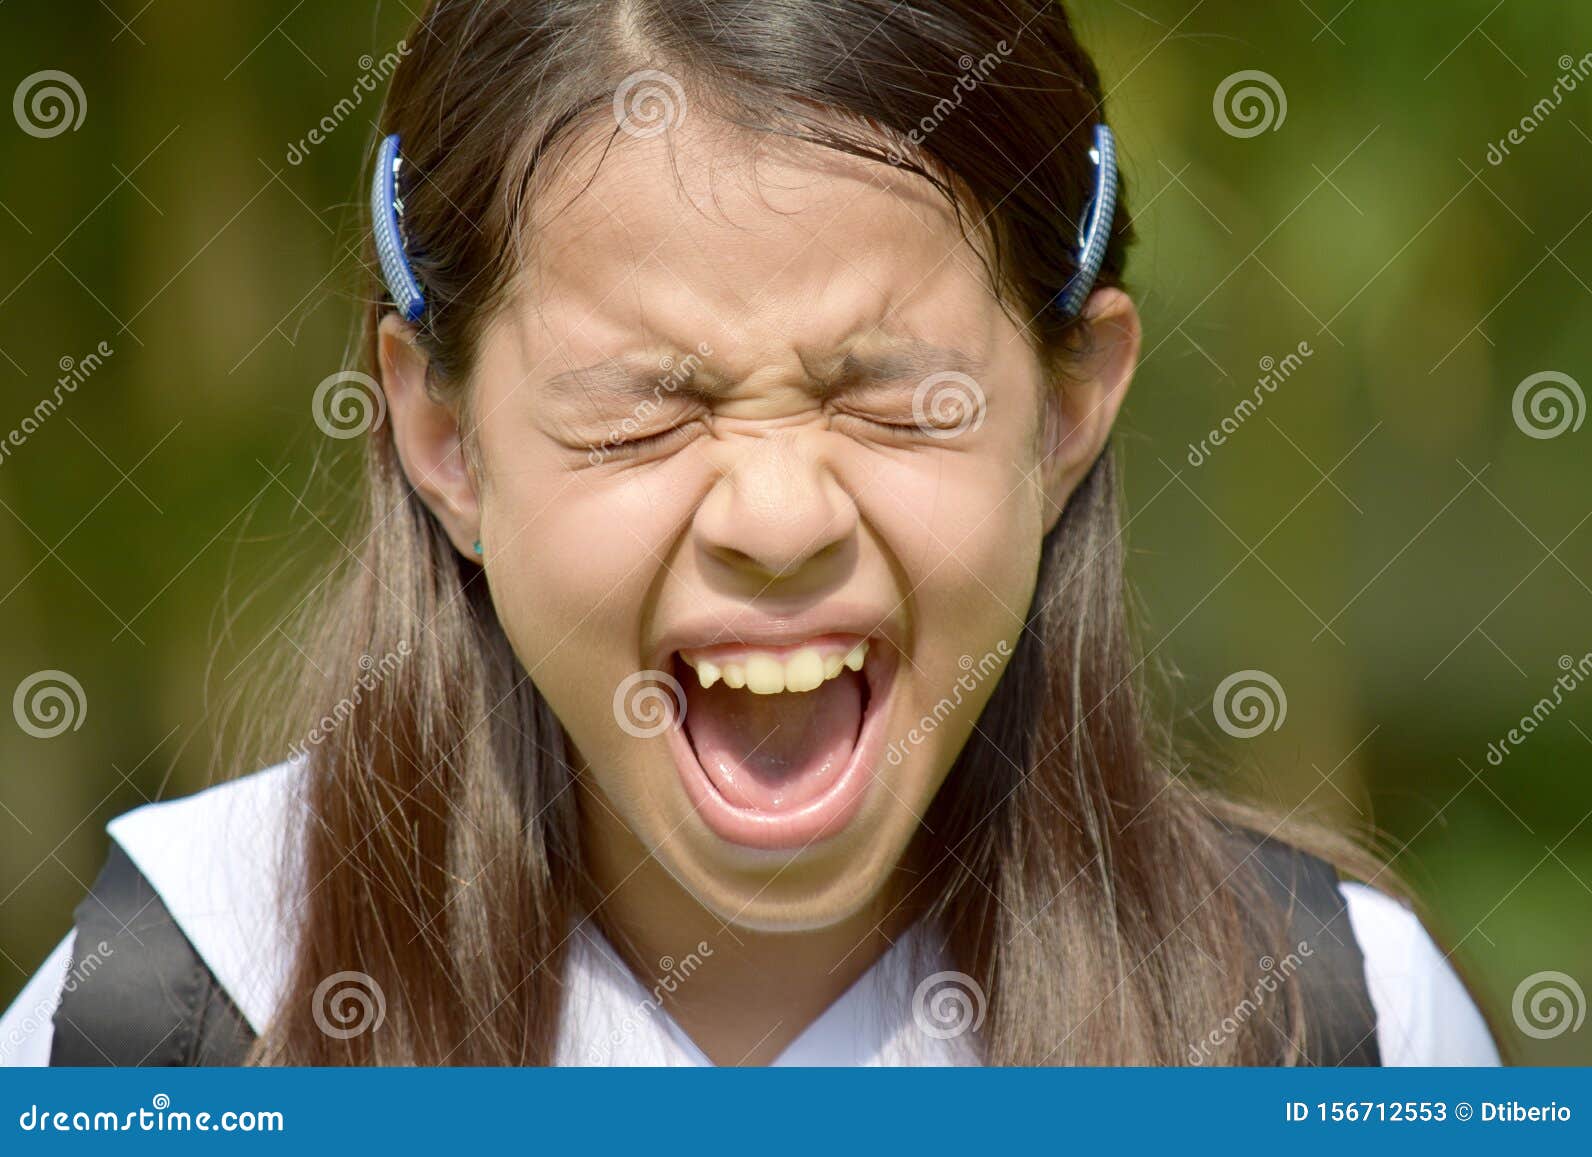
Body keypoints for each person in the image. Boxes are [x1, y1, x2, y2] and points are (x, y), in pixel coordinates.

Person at [2, 0, 1501, 1067]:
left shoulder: (1326, 1026)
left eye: (896, 398)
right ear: (443, 436)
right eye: (646, 410)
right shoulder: (167, 1026)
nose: (777, 517)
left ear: (1064, 405)